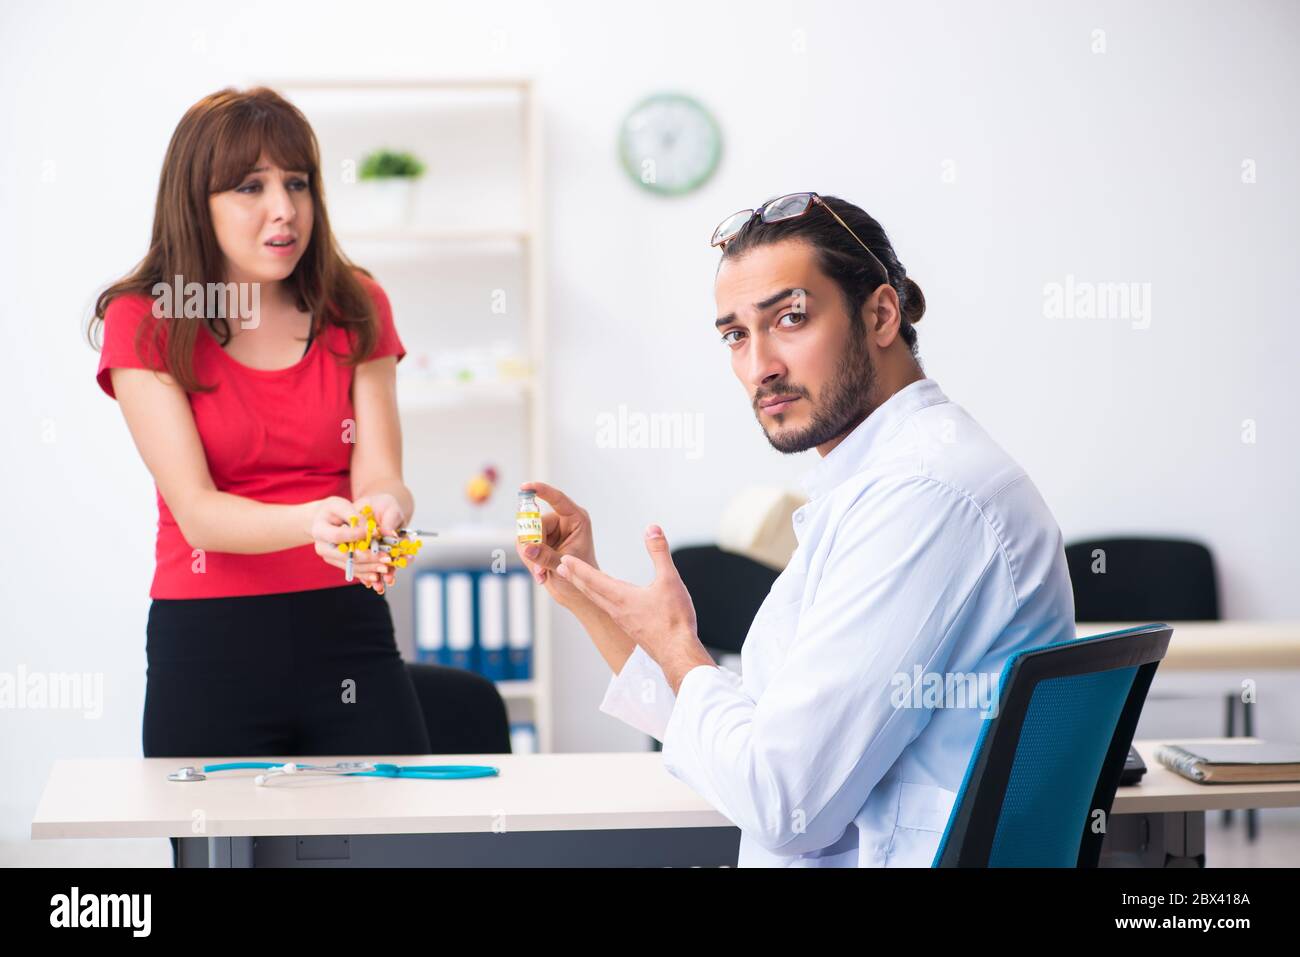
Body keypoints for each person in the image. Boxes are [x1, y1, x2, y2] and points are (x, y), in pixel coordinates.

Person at [516, 193, 1076, 867]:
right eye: (736, 335)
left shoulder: (922, 497)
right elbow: (738, 737)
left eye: (790, 317)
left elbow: (784, 804)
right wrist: (587, 596)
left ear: (880, 313)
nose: (761, 366)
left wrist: (680, 648)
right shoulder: (881, 481)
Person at [89, 87, 432, 794]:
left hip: (349, 631)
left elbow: (385, 476)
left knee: (398, 840)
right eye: (251, 186)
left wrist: (383, 513)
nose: (285, 208)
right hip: (210, 645)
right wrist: (317, 521)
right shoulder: (146, 319)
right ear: (197, 201)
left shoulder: (356, 304)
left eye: (297, 183)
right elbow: (199, 513)